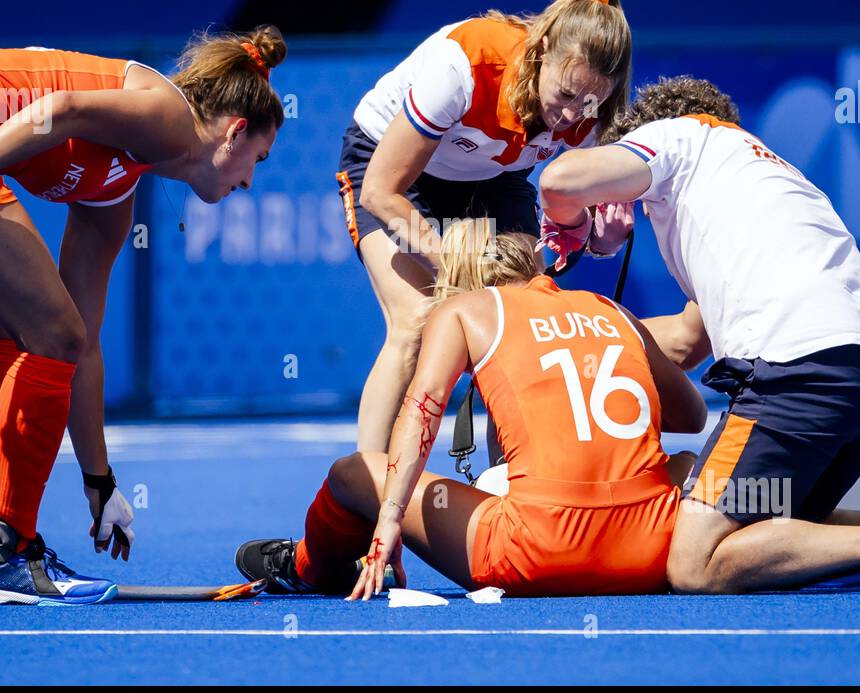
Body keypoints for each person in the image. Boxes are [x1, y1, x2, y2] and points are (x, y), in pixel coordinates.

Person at [0, 27, 287, 604]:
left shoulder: (116, 194)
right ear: (235, 130)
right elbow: (59, 109)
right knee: (49, 332)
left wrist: (100, 480)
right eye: (257, 160)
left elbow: (82, 347)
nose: (249, 181)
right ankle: (7, 554)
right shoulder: (169, 115)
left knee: (15, 331)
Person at [536, 76, 860, 592]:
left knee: (696, 563)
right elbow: (686, 341)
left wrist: (581, 228)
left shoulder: (675, 136)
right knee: (769, 539)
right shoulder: (758, 180)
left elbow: (560, 181)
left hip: (797, 369)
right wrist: (566, 332)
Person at [237, 217, 707, 598]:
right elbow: (692, 416)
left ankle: (306, 567)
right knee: (685, 463)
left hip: (537, 552)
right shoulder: (611, 309)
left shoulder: (464, 312)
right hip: (648, 548)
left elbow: (421, 411)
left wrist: (389, 521)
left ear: (461, 285)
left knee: (352, 472)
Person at [336, 0, 634, 461]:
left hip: (495, 177)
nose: (568, 118)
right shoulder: (467, 63)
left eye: (588, 104)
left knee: (520, 320)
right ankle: (361, 494)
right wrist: (456, 267)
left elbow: (585, 233)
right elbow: (380, 193)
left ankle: (514, 491)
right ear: (541, 54)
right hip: (392, 171)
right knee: (417, 321)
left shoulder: (595, 112)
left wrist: (602, 241)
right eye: (561, 95)